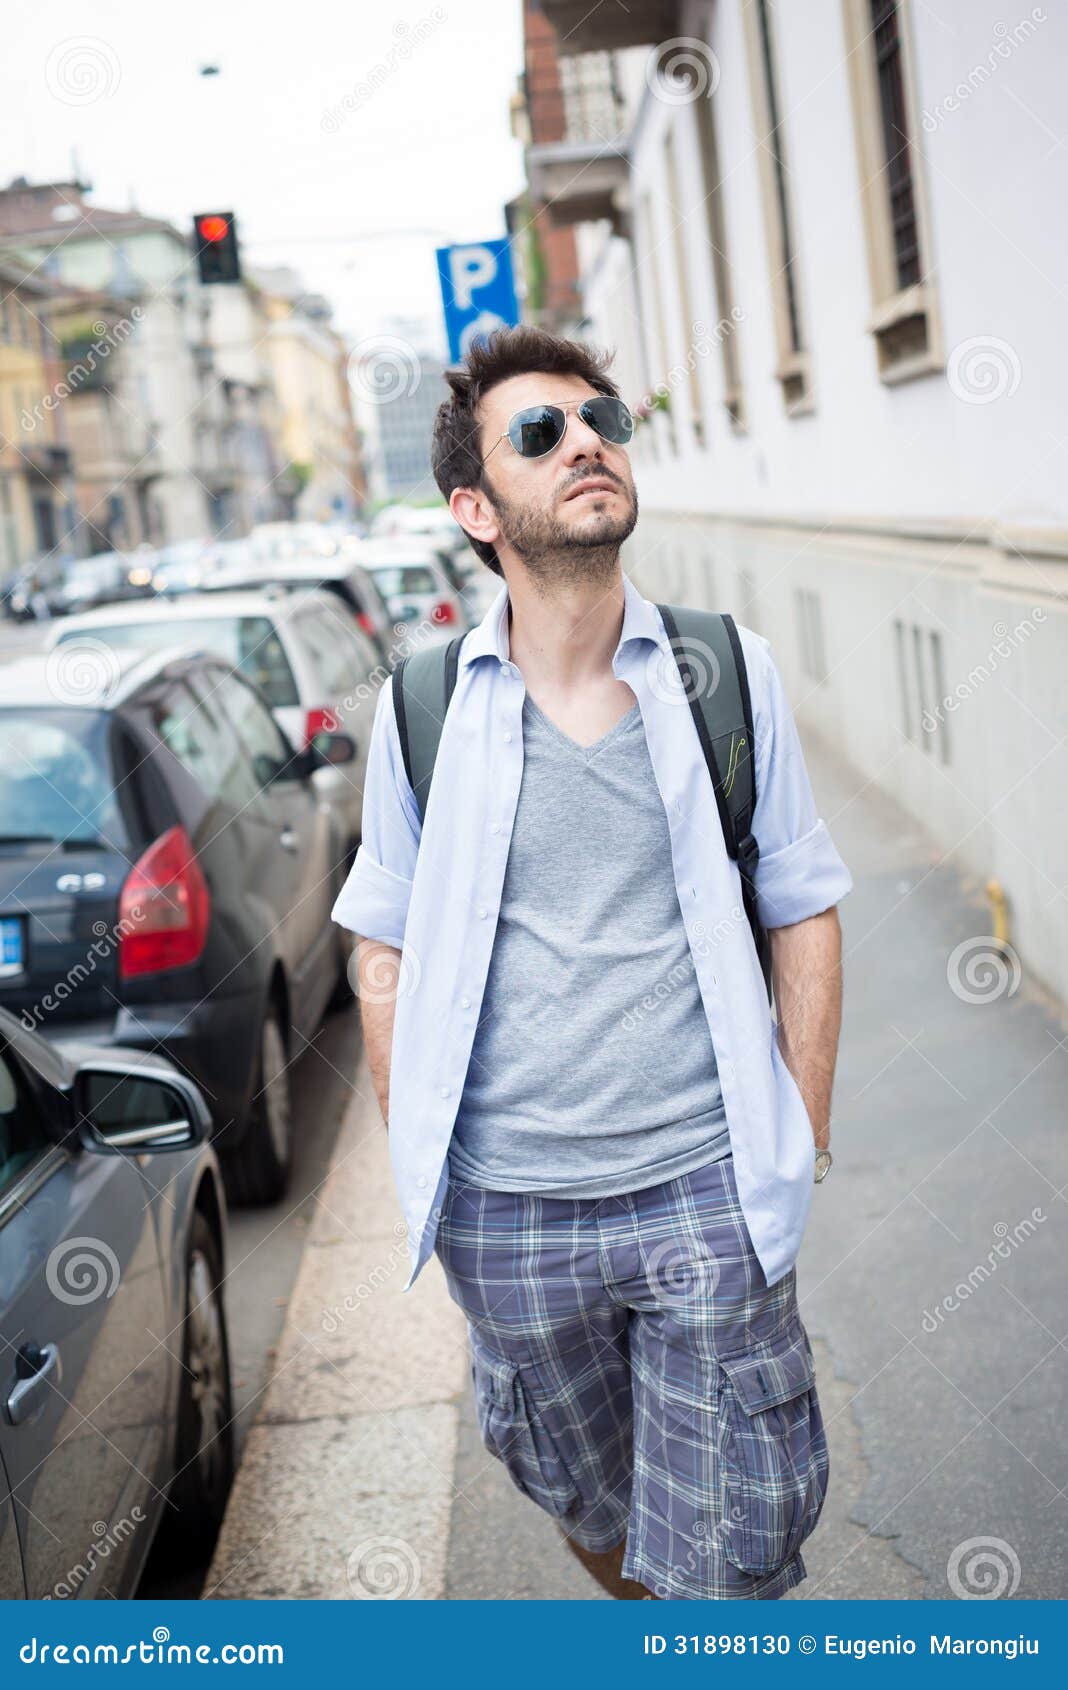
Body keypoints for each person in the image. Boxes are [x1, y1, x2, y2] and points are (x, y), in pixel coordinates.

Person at [332, 325, 853, 1601]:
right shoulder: (422, 708)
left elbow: (803, 902)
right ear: (476, 508)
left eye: (601, 419)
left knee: (730, 1559)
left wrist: (798, 1132)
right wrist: (424, 1162)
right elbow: (381, 939)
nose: (586, 443)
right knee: (594, 1509)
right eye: (540, 432)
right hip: (507, 1215)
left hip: (698, 1186)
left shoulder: (724, 670)